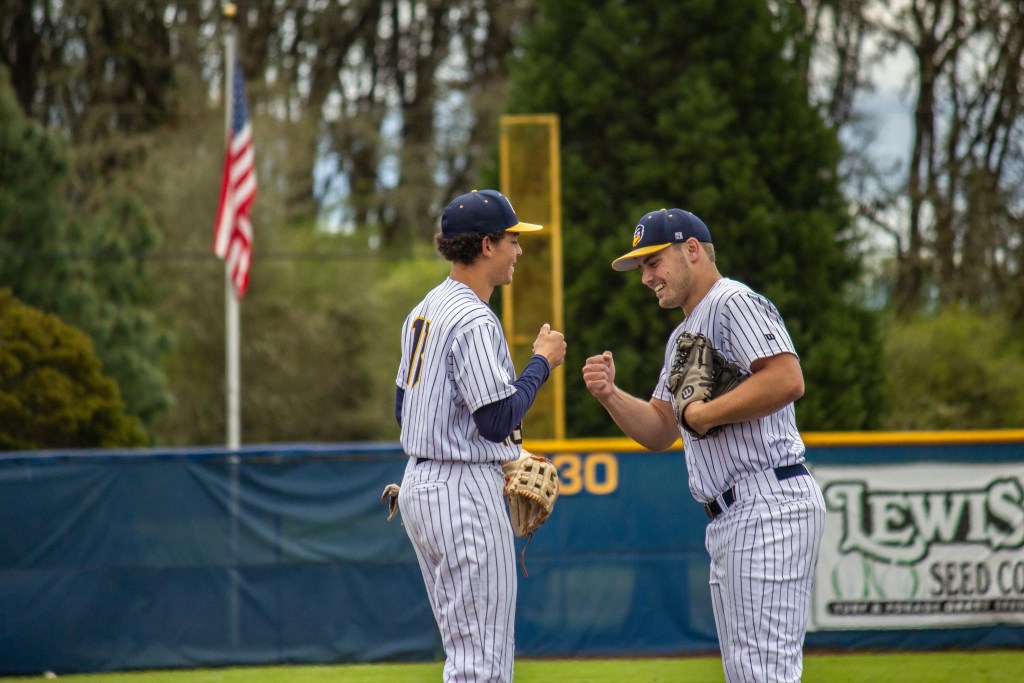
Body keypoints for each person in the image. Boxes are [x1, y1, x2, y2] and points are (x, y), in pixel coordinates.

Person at [582, 207, 825, 682]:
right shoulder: (682, 338)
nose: (646, 276)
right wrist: (610, 395)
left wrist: (704, 414)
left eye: (653, 261)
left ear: (691, 249)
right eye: (641, 267)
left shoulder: (733, 301)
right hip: (734, 514)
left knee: (764, 673)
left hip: (767, 502)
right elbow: (659, 428)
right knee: (749, 673)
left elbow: (786, 378)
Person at [393, 189, 566, 683]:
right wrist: (542, 362)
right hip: (462, 492)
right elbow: (494, 420)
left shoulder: (424, 310)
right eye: (513, 239)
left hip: (421, 488)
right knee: (483, 661)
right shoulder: (472, 316)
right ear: (487, 245)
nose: (519, 250)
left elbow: (402, 407)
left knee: (465, 651)